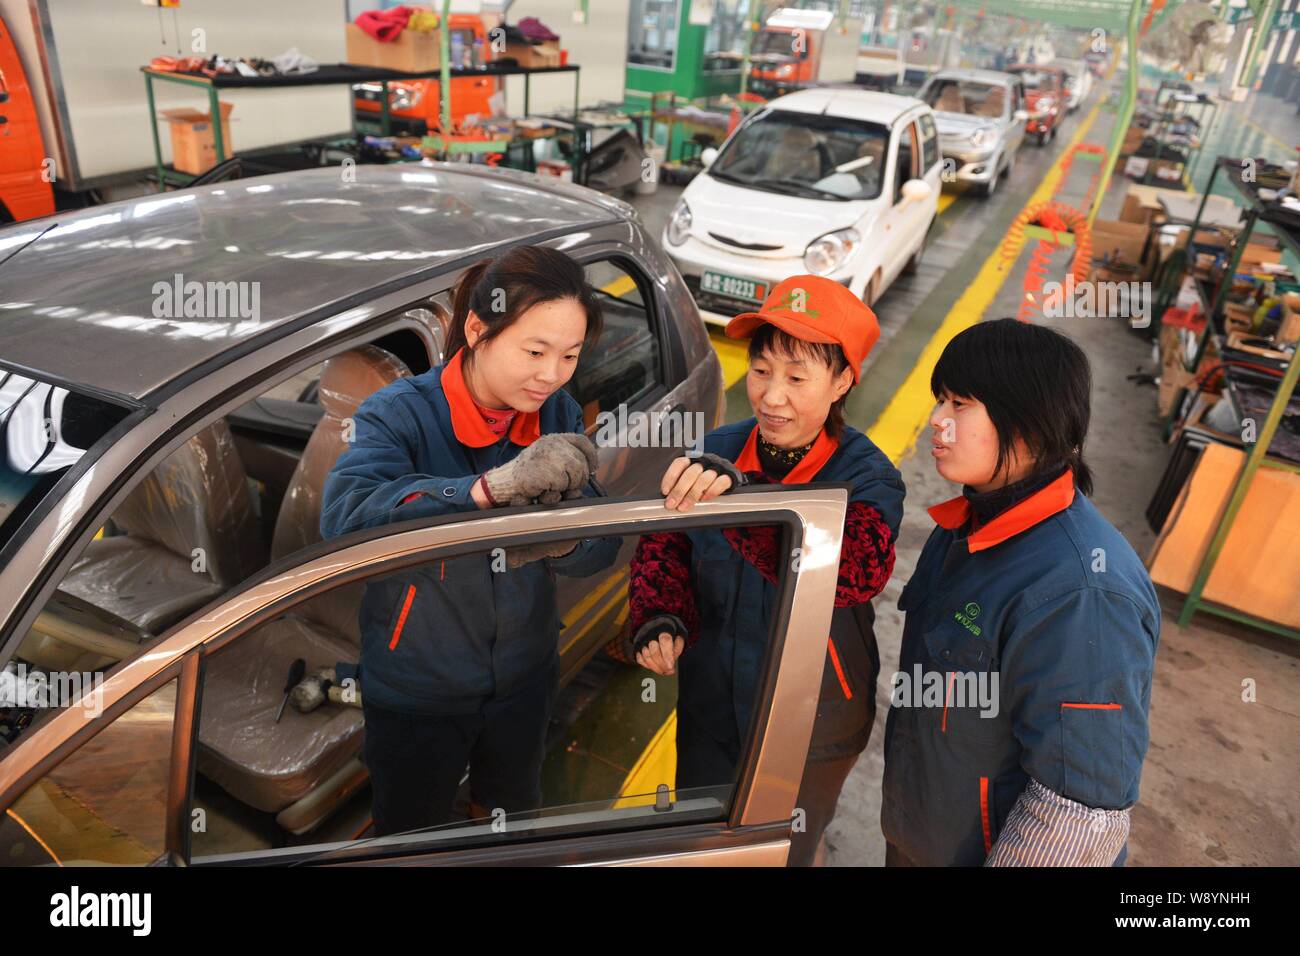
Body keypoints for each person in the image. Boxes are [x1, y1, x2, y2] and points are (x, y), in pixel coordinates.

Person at [320, 245, 619, 836]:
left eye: (569, 356)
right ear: (478, 329)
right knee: (410, 832)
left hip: (526, 674)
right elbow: (344, 521)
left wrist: (566, 539)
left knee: (510, 812)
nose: (552, 374)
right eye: (534, 352)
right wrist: (484, 490)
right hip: (418, 685)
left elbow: (602, 544)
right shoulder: (398, 415)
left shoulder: (555, 411)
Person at [627, 275, 905, 866]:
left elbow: (853, 570)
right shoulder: (716, 449)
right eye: (761, 371)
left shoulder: (869, 478)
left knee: (782, 852)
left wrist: (742, 500)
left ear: (842, 381)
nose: (772, 397)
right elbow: (665, 544)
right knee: (703, 840)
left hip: (810, 725)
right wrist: (661, 614)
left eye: (797, 377)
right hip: (710, 704)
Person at [881, 318, 1160, 866]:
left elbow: (1079, 808)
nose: (937, 421)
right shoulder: (965, 525)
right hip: (920, 837)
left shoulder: (1083, 594)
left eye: (959, 404)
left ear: (1030, 424)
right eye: (940, 400)